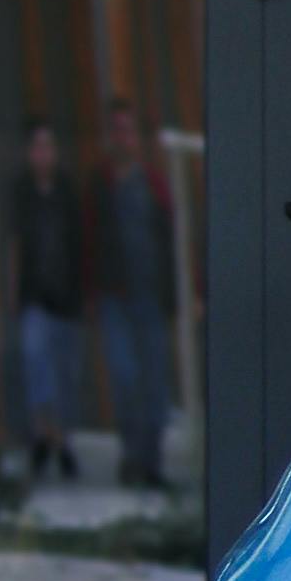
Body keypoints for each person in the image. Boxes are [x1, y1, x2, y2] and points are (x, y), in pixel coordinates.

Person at [91, 93, 178, 494]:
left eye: (128, 132)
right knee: (125, 378)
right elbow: (88, 239)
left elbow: (172, 239)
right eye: (117, 132)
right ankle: (132, 455)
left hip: (151, 297)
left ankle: (152, 461)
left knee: (154, 381)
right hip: (116, 297)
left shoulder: (155, 186)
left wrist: (183, 292)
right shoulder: (101, 185)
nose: (122, 139)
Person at [10, 115, 87, 483]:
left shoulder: (68, 194)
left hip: (68, 299)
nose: (43, 154)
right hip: (35, 298)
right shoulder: (21, 195)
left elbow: (81, 246)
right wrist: (14, 295)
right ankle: (44, 436)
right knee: (37, 366)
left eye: (49, 147)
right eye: (37, 147)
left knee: (66, 375)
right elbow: (14, 246)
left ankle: (63, 442)